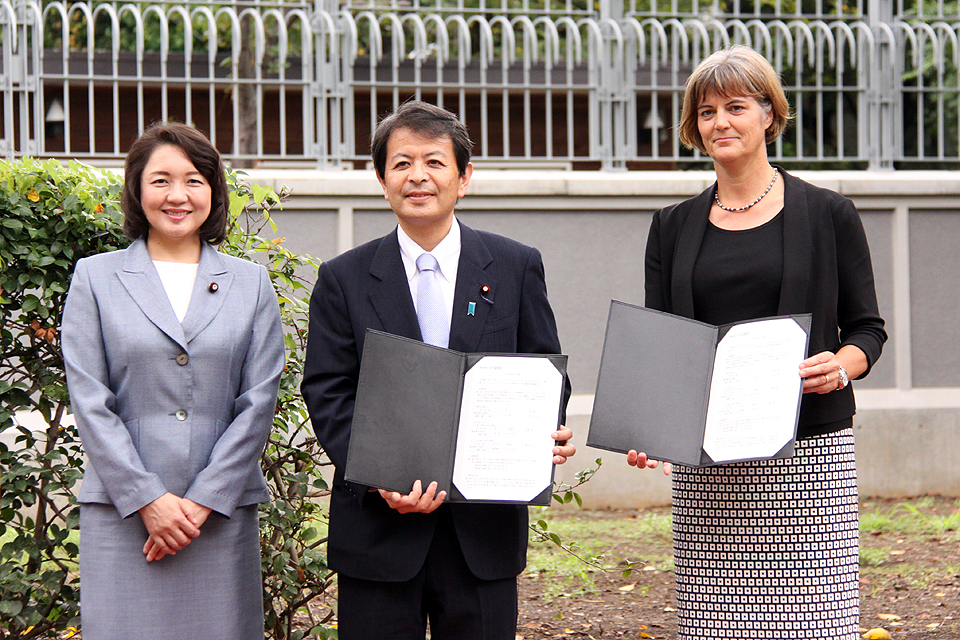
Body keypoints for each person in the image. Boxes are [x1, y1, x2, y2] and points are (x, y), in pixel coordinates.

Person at [627, 46, 887, 639]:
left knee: (811, 621)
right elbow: (662, 344)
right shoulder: (671, 226)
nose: (720, 122)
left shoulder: (828, 214)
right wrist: (649, 427)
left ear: (770, 114)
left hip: (807, 455)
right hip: (708, 461)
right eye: (707, 110)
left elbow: (868, 331)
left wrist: (841, 367)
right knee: (715, 623)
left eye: (736, 107)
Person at [301, 100, 575, 640]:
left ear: (464, 177)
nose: (418, 176)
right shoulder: (344, 278)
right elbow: (328, 391)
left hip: (481, 534)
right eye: (401, 164)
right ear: (381, 179)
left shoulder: (515, 266)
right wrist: (382, 478)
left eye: (434, 162)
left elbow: (544, 370)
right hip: (378, 532)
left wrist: (549, 424)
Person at [61, 122, 285, 639]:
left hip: (219, 514)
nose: (177, 195)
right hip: (124, 514)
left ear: (214, 190)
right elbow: (90, 400)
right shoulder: (95, 278)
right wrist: (148, 499)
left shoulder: (250, 284)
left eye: (194, 180)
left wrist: (201, 500)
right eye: (160, 180)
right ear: (138, 190)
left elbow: (258, 402)